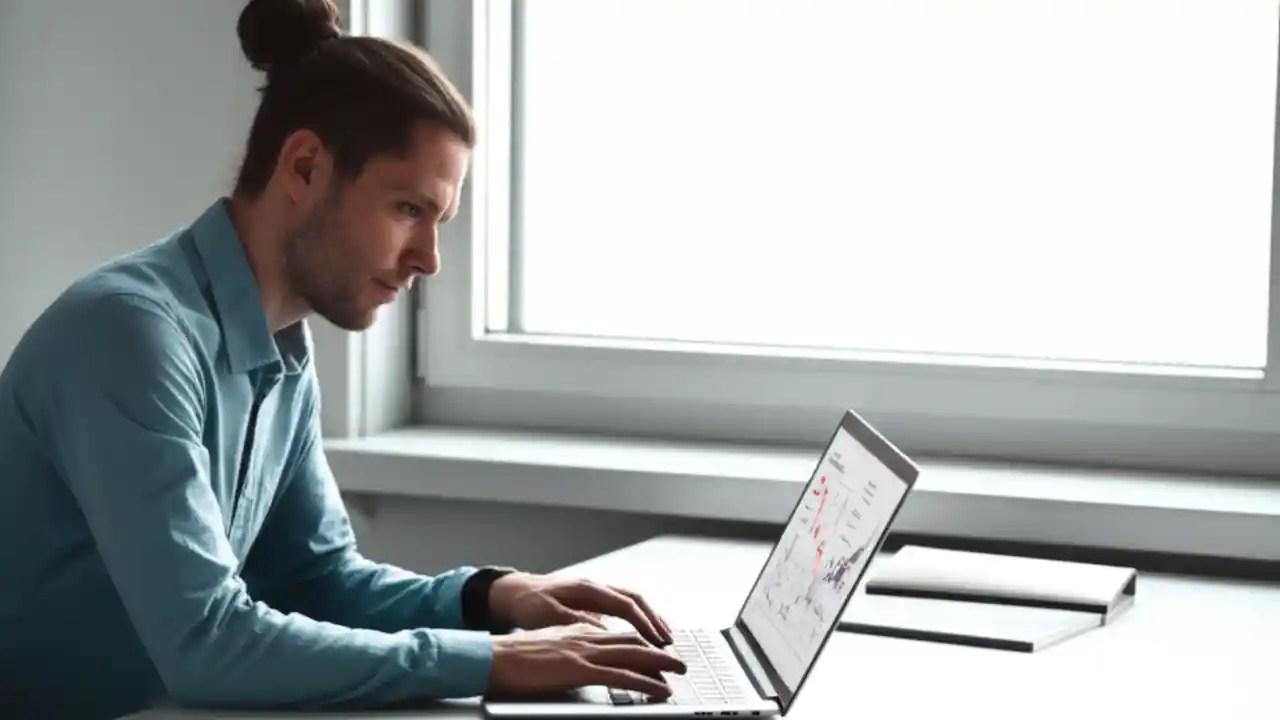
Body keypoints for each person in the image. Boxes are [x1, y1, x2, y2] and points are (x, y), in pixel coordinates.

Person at [0, 1, 687, 718]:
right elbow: (210, 643)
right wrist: (491, 662)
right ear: (305, 167)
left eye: (438, 221)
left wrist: (492, 599)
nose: (427, 260)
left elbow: (316, 581)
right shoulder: (129, 335)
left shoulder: (281, 351)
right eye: (407, 210)